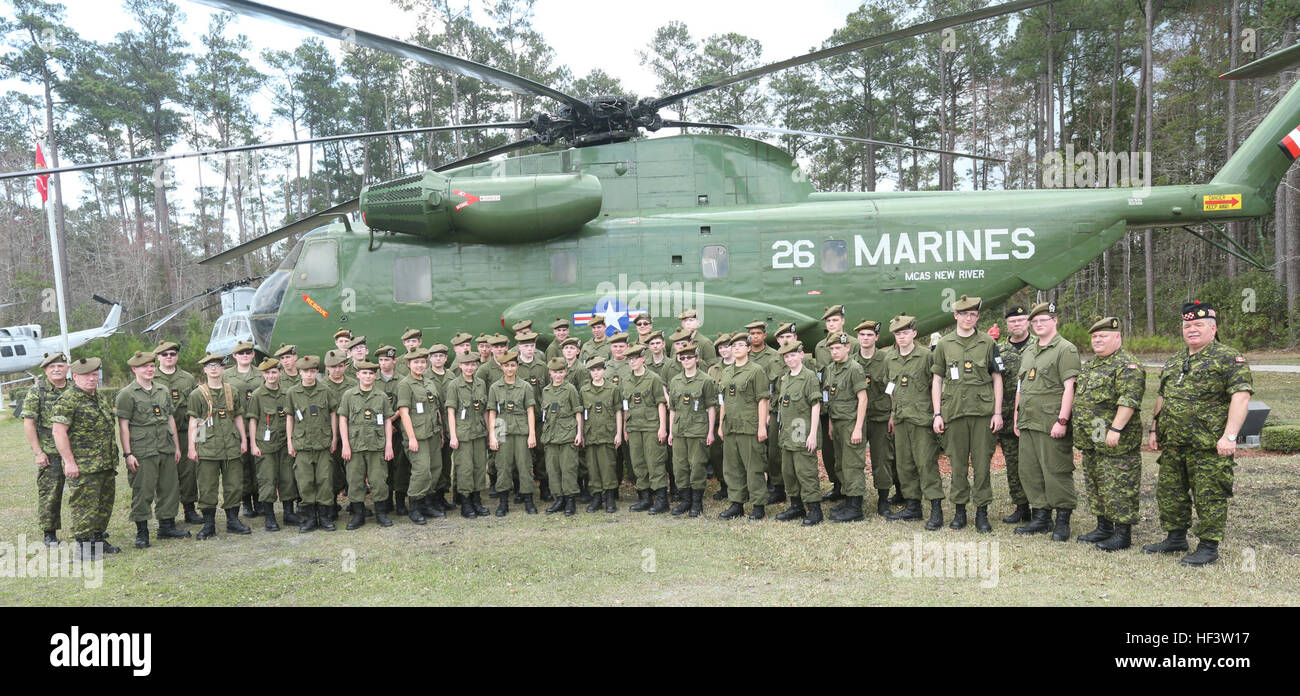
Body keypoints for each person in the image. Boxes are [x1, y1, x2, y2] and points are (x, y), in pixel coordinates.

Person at [1145, 301, 1253, 566]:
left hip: (1208, 445)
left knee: (1209, 495)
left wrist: (1229, 436)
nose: (1191, 330)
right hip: (1174, 444)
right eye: (1187, 325)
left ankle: (1208, 546)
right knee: (1171, 493)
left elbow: (1241, 396)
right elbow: (1164, 395)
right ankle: (1175, 537)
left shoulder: (1228, 357)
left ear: (1213, 329)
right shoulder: (1175, 360)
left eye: (1198, 325)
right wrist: (1154, 428)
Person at [930, 296, 1003, 533]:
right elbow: (937, 379)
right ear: (955, 316)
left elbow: (997, 378)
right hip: (954, 412)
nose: (968, 318)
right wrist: (937, 413)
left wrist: (998, 412)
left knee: (982, 465)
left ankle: (982, 513)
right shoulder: (944, 344)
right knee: (957, 464)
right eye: (964, 314)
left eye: (973, 314)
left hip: (982, 413)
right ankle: (960, 511)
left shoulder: (988, 342)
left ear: (978, 317)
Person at [1072, 317, 1145, 551]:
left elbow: (1129, 400)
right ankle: (1103, 526)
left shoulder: (1127, 365)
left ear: (1117, 337)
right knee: (1096, 482)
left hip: (1116, 440)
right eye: (1094, 337)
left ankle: (1122, 534)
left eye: (1103, 336)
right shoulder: (1092, 365)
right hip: (1093, 438)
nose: (1098, 340)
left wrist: (1115, 428)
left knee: (1119, 485)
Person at [1012, 302, 1081, 541]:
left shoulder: (1065, 349)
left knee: (1056, 470)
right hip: (1028, 420)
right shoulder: (1029, 351)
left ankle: (1062, 520)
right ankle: (1041, 517)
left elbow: (1070, 387)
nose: (1039, 325)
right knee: (1029, 471)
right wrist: (1016, 416)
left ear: (1055, 321)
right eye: (1035, 322)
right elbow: (1021, 386)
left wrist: (1062, 420)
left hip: (1050, 421)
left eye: (1044, 320)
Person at [116, 351, 187, 548]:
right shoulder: (127, 394)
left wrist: (176, 447)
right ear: (134, 369)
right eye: (144, 367)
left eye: (151, 366)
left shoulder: (163, 390)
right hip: (143, 449)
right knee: (143, 490)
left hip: (165, 446)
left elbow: (170, 418)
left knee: (169, 488)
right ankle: (142, 532)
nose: (149, 369)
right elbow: (123, 425)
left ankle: (167, 526)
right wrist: (128, 453)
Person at [52, 357, 120, 560]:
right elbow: (58, 432)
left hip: (105, 463)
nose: (91, 378)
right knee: (84, 506)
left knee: (104, 504)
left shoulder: (97, 397)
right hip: (84, 465)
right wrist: (69, 461)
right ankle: (83, 545)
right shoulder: (68, 399)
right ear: (74, 377)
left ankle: (97, 540)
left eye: (94, 374)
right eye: (86, 375)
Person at [885, 315, 942, 525]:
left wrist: (937, 414)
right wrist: (892, 413)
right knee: (905, 465)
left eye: (905, 333)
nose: (902, 337)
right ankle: (913, 506)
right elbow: (891, 388)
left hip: (921, 419)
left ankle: (936, 508)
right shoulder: (890, 358)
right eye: (898, 334)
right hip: (900, 419)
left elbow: (936, 386)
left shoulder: (927, 356)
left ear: (914, 334)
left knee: (926, 464)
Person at [188, 353, 251, 539]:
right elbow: (194, 420)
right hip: (207, 445)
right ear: (205, 370)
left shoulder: (232, 391)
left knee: (234, 485)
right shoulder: (197, 394)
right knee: (207, 486)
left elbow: (238, 416)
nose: (214, 369)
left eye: (217, 365)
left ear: (223, 368)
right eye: (209, 366)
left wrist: (244, 440)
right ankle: (209, 524)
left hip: (231, 444)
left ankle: (233, 521)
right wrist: (192, 447)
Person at [718, 333, 771, 520]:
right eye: (734, 346)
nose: (737, 348)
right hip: (730, 426)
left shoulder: (756, 370)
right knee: (732, 468)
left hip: (749, 426)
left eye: (741, 345)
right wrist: (720, 425)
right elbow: (723, 401)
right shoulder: (726, 372)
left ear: (749, 348)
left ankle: (758, 506)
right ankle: (737, 504)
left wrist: (762, 426)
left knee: (754, 467)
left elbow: (762, 399)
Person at [339, 360, 396, 529]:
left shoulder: (381, 396)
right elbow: (343, 420)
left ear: (375, 375)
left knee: (379, 480)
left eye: (371, 373)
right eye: (364, 373)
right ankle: (358, 514)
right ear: (357, 375)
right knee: (355, 480)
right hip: (355, 446)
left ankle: (381, 513)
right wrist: (345, 444)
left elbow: (387, 421)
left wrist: (389, 445)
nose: (368, 376)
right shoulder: (349, 395)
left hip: (376, 445)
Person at [285, 355, 339, 532]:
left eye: (312, 371)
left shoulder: (325, 390)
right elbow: (290, 418)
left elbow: (332, 414)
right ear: (299, 373)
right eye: (305, 371)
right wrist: (290, 442)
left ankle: (324, 517)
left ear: (317, 372)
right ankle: (309, 518)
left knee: (325, 480)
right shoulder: (293, 393)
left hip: (323, 443)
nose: (309, 374)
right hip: (302, 444)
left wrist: (334, 438)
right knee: (305, 481)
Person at [152, 341, 203, 524]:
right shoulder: (152, 377)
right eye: (164, 355)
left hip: (185, 433)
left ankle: (190, 510)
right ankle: (167, 515)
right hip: (161, 435)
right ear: (158, 357)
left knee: (189, 473)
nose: (169, 357)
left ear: (177, 356)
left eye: (172, 354)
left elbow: (198, 409)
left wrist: (198, 439)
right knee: (165, 476)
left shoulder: (187, 378)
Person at [22, 352, 70, 546]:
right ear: (45, 370)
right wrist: (38, 452)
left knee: (84, 493)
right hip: (51, 453)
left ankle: (89, 529)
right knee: (50, 493)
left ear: (67, 368)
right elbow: (29, 423)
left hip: (78, 451)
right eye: (52, 367)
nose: (56, 369)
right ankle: (49, 533)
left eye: (60, 366)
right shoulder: (37, 391)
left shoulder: (76, 388)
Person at [773, 342, 823, 525]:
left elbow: (816, 405)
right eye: (786, 356)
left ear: (801, 355)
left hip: (801, 429)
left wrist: (812, 434)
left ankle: (815, 510)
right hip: (787, 431)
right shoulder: (785, 378)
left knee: (805, 471)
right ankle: (796, 506)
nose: (790, 359)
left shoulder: (809, 377)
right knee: (788, 471)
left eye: (793, 355)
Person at [248, 358, 300, 531]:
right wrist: (254, 444)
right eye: (268, 373)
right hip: (265, 445)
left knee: (287, 478)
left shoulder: (287, 394)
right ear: (263, 374)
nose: (271, 376)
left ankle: (288, 513)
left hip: (285, 442)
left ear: (279, 373)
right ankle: (270, 517)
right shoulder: (257, 395)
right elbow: (253, 421)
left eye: (274, 372)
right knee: (267, 479)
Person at [822, 331, 870, 522]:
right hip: (838, 422)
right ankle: (848, 500)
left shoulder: (854, 368)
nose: (834, 352)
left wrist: (858, 427)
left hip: (851, 423)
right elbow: (831, 398)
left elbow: (863, 398)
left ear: (847, 347)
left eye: (838, 348)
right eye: (831, 349)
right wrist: (832, 424)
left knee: (852, 464)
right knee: (841, 463)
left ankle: (856, 507)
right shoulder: (831, 369)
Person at [666, 344, 717, 517]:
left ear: (697, 359)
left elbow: (711, 407)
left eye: (689, 357)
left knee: (697, 466)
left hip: (698, 430)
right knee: (680, 467)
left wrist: (710, 432)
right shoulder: (675, 381)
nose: (686, 360)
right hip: (680, 430)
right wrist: (671, 431)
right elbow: (672, 409)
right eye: (683, 358)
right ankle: (685, 501)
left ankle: (697, 502)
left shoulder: (706, 380)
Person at [852, 320, 898, 514]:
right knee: (854, 459)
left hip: (880, 417)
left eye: (870, 335)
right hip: (856, 419)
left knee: (882, 459)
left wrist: (893, 413)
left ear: (877, 337)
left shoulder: (886, 359)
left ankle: (883, 500)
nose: (865, 338)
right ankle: (854, 497)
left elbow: (892, 389)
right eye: (862, 335)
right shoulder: (851, 361)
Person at [396, 347, 445, 524]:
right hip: (417, 435)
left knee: (435, 468)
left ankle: (427, 504)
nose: (419, 365)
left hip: (432, 433)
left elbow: (435, 408)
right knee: (421, 471)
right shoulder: (405, 384)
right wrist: (412, 438)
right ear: (409, 364)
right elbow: (404, 412)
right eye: (416, 362)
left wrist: (440, 432)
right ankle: (415, 507)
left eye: (422, 362)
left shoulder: (429, 382)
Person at [488, 349, 538, 515]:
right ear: (501, 367)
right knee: (503, 465)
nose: (509, 369)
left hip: (521, 427)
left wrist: (532, 434)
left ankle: (528, 500)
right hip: (502, 426)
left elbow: (530, 410)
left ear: (517, 366)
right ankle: (503, 502)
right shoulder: (495, 387)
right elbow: (492, 412)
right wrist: (492, 435)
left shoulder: (525, 386)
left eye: (512, 365)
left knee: (524, 464)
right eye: (506, 366)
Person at [995, 306, 1033, 523]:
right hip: (1008, 417)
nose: (1017, 324)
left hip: (1034, 417)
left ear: (1027, 322)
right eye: (1012, 321)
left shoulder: (1039, 346)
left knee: (1035, 465)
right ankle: (1021, 507)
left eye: (1021, 320)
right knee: (1013, 464)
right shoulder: (999, 350)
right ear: (1006, 325)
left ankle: (1041, 508)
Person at [622, 344, 670, 513]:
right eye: (629, 359)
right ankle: (645, 498)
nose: (632, 362)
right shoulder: (626, 380)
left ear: (643, 358)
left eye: (635, 358)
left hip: (651, 426)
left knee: (654, 462)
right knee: (638, 463)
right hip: (634, 426)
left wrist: (662, 427)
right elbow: (625, 406)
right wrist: (625, 429)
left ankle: (662, 501)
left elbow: (661, 404)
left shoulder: (653, 378)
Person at [745, 320, 785, 505]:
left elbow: (775, 385)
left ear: (764, 335)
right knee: (753, 450)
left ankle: (776, 485)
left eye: (758, 333)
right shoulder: (745, 355)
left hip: (768, 407)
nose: (755, 336)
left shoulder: (774, 356)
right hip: (748, 409)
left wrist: (769, 410)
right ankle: (755, 485)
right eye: (752, 334)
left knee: (772, 450)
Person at [446, 353, 491, 518]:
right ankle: (465, 503)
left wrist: (489, 432)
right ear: (460, 366)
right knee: (465, 468)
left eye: (473, 364)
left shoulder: (480, 384)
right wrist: (453, 436)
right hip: (462, 433)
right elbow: (451, 411)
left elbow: (484, 410)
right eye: (466, 365)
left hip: (479, 432)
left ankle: (477, 500)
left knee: (479, 467)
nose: (470, 368)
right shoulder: (454, 385)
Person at [223, 341, 263, 518]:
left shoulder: (261, 374)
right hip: (236, 429)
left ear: (253, 354)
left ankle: (260, 500)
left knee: (259, 466)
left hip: (259, 427)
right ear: (234, 356)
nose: (245, 355)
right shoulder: (226, 376)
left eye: (248, 352)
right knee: (242, 468)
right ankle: (246, 502)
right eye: (241, 353)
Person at [540, 357, 584, 515]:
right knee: (553, 469)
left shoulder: (570, 389)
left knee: (568, 469)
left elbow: (578, 411)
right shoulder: (545, 391)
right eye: (554, 372)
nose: (558, 375)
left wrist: (579, 433)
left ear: (565, 372)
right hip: (551, 436)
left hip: (567, 435)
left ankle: (570, 500)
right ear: (550, 373)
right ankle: (558, 499)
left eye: (560, 372)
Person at [581, 358, 623, 513]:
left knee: (608, 467)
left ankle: (610, 497)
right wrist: (581, 433)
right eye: (592, 370)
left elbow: (619, 411)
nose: (596, 373)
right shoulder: (584, 390)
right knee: (592, 467)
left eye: (598, 370)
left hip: (607, 433)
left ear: (604, 370)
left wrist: (619, 433)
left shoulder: (613, 389)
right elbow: (582, 414)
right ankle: (597, 497)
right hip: (591, 434)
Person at [815, 305, 846, 501]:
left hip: (845, 405)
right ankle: (836, 485)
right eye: (828, 321)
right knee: (828, 449)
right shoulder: (820, 347)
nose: (832, 324)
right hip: (827, 404)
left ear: (843, 320)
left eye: (835, 320)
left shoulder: (851, 343)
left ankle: (849, 488)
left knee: (846, 448)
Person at [322, 350, 357, 521]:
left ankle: (355, 503)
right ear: (327, 367)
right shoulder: (321, 386)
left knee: (354, 470)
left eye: (341, 366)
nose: (337, 370)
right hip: (328, 435)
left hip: (353, 433)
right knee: (332, 471)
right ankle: (332, 504)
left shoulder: (353, 384)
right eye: (333, 367)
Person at [707, 333, 734, 500]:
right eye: (721, 347)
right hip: (716, 417)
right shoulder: (713, 370)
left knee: (734, 454)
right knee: (716, 454)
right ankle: (724, 485)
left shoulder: (740, 366)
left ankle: (738, 487)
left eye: (727, 346)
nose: (724, 350)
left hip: (735, 416)